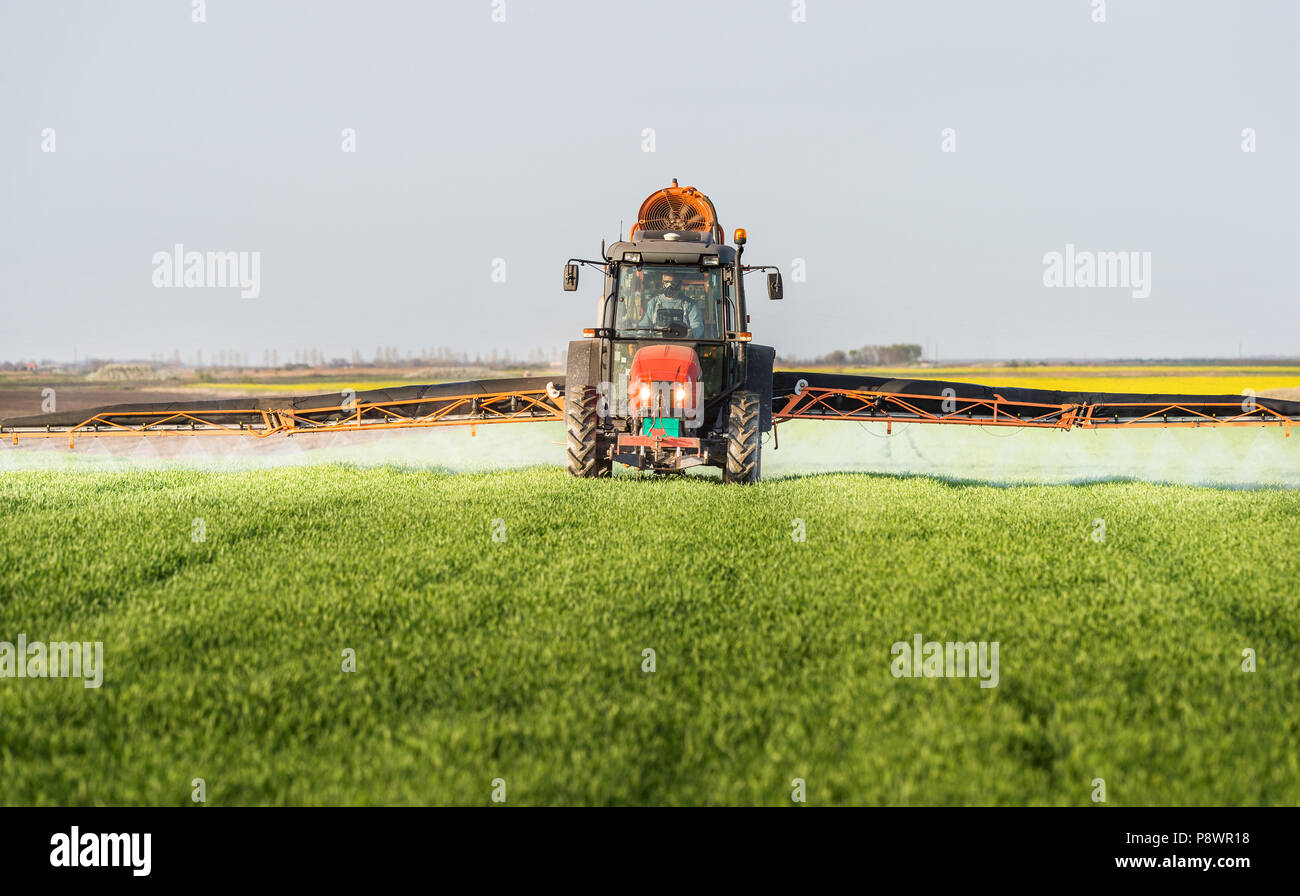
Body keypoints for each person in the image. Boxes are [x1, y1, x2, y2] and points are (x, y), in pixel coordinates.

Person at [637, 272, 703, 336]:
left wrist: (691, 332)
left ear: (679, 283)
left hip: (682, 345)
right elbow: (643, 327)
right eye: (666, 282)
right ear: (662, 283)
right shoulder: (653, 303)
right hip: (657, 343)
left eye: (673, 283)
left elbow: (697, 327)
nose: (669, 286)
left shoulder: (690, 304)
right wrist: (642, 336)